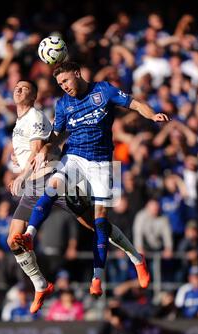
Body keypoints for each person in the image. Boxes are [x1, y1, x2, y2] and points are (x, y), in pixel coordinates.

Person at [14, 61, 168, 298]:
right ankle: (30, 235)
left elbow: (135, 104)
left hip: (102, 162)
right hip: (74, 156)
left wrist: (152, 115)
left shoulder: (103, 90)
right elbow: (56, 135)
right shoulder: (63, 104)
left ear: (77, 73)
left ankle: (100, 276)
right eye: (59, 83)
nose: (63, 86)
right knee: (53, 187)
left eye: (65, 80)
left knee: (100, 221)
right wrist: (45, 148)